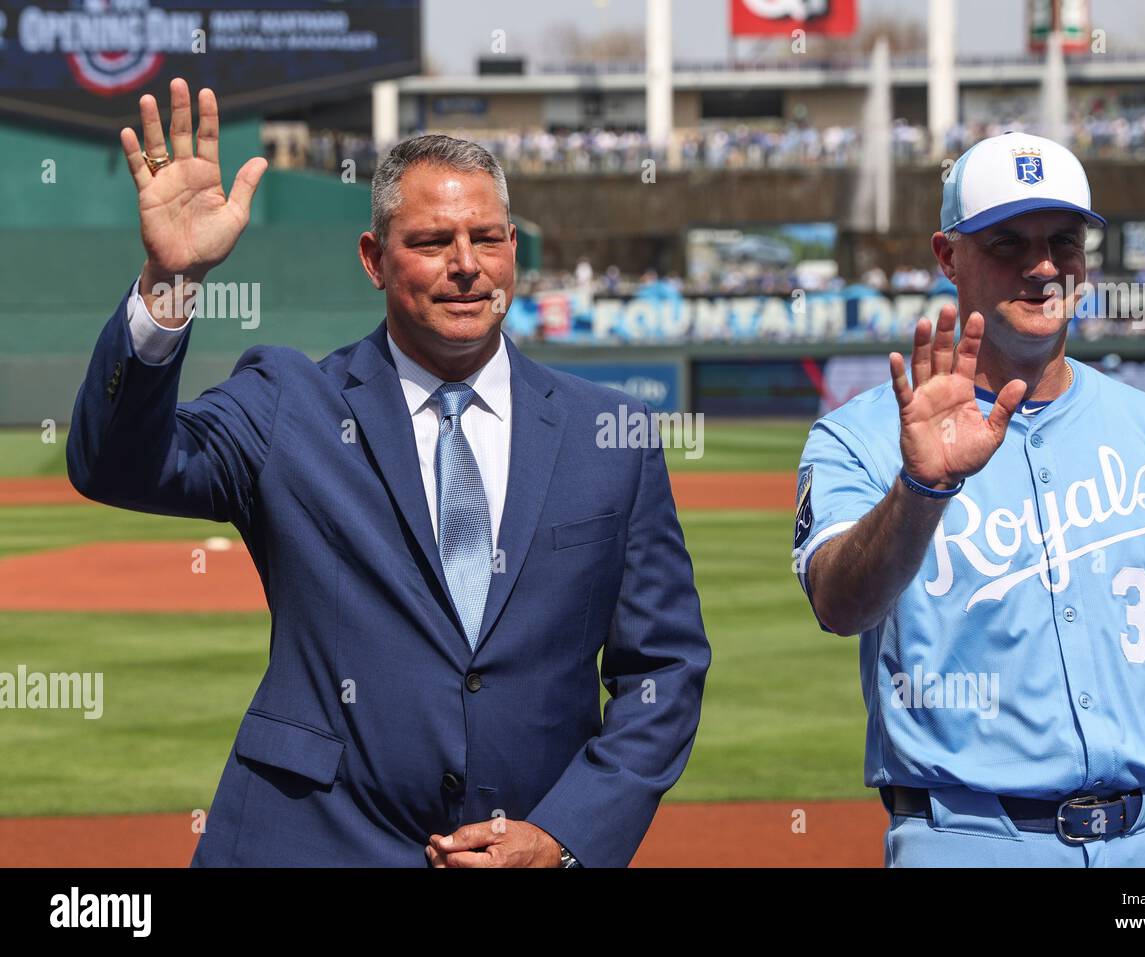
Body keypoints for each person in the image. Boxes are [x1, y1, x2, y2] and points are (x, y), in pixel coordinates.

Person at [67, 79, 710, 868]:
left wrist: (565, 835)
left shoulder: (611, 433)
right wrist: (172, 281)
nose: (466, 265)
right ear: (374, 259)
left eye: (488, 238)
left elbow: (664, 668)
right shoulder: (289, 403)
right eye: (433, 241)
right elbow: (115, 465)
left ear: (513, 247)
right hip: (307, 847)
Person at [792, 132, 1145, 867]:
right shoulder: (860, 436)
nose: (1043, 267)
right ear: (948, 256)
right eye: (1008, 243)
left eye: (1064, 240)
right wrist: (922, 489)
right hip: (969, 841)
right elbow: (838, 604)